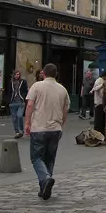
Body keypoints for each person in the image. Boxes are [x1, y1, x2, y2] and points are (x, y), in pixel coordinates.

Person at [24, 63, 70, 200]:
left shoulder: (37, 86)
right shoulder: (62, 89)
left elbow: (30, 104)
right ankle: (44, 186)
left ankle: (45, 179)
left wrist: (27, 122)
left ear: (43, 73)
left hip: (39, 127)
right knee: (50, 159)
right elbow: (65, 108)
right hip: (55, 128)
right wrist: (61, 123)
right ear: (56, 74)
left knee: (36, 157)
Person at [8, 70, 29, 138]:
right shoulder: (10, 82)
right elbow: (8, 91)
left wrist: (24, 97)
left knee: (19, 116)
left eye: (18, 74)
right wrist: (9, 101)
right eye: (16, 74)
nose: (17, 76)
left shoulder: (23, 81)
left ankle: (21, 130)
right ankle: (17, 132)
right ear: (13, 75)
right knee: (14, 118)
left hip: (20, 101)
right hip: (13, 102)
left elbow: (25, 90)